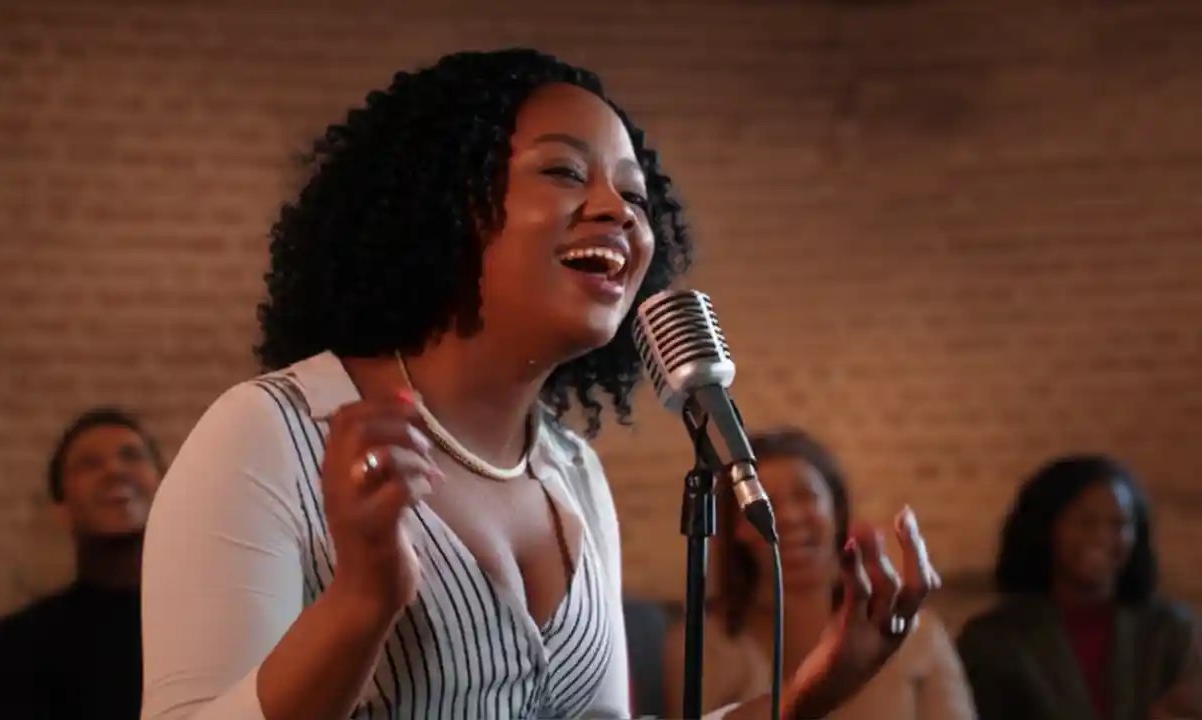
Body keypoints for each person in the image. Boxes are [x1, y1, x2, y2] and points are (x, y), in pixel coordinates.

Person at [139, 48, 941, 720]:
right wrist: (361, 603)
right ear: (445, 205)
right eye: (564, 171)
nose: (617, 213)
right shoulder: (271, 433)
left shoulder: (571, 472)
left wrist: (810, 691)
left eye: (634, 194)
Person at [663, 427, 974, 719]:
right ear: (736, 528)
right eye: (764, 502)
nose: (787, 516)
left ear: (836, 511)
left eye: (805, 496)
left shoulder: (915, 633)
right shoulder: (705, 645)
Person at [957, 454, 1202, 720]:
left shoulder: (1171, 631)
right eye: (1085, 522)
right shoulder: (992, 640)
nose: (1101, 537)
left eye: (1118, 524)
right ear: (1045, 528)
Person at [0, 407, 166, 720]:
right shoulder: (14, 648)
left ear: (165, 489)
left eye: (132, 455)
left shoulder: (214, 625)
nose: (114, 470)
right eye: (89, 464)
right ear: (61, 509)